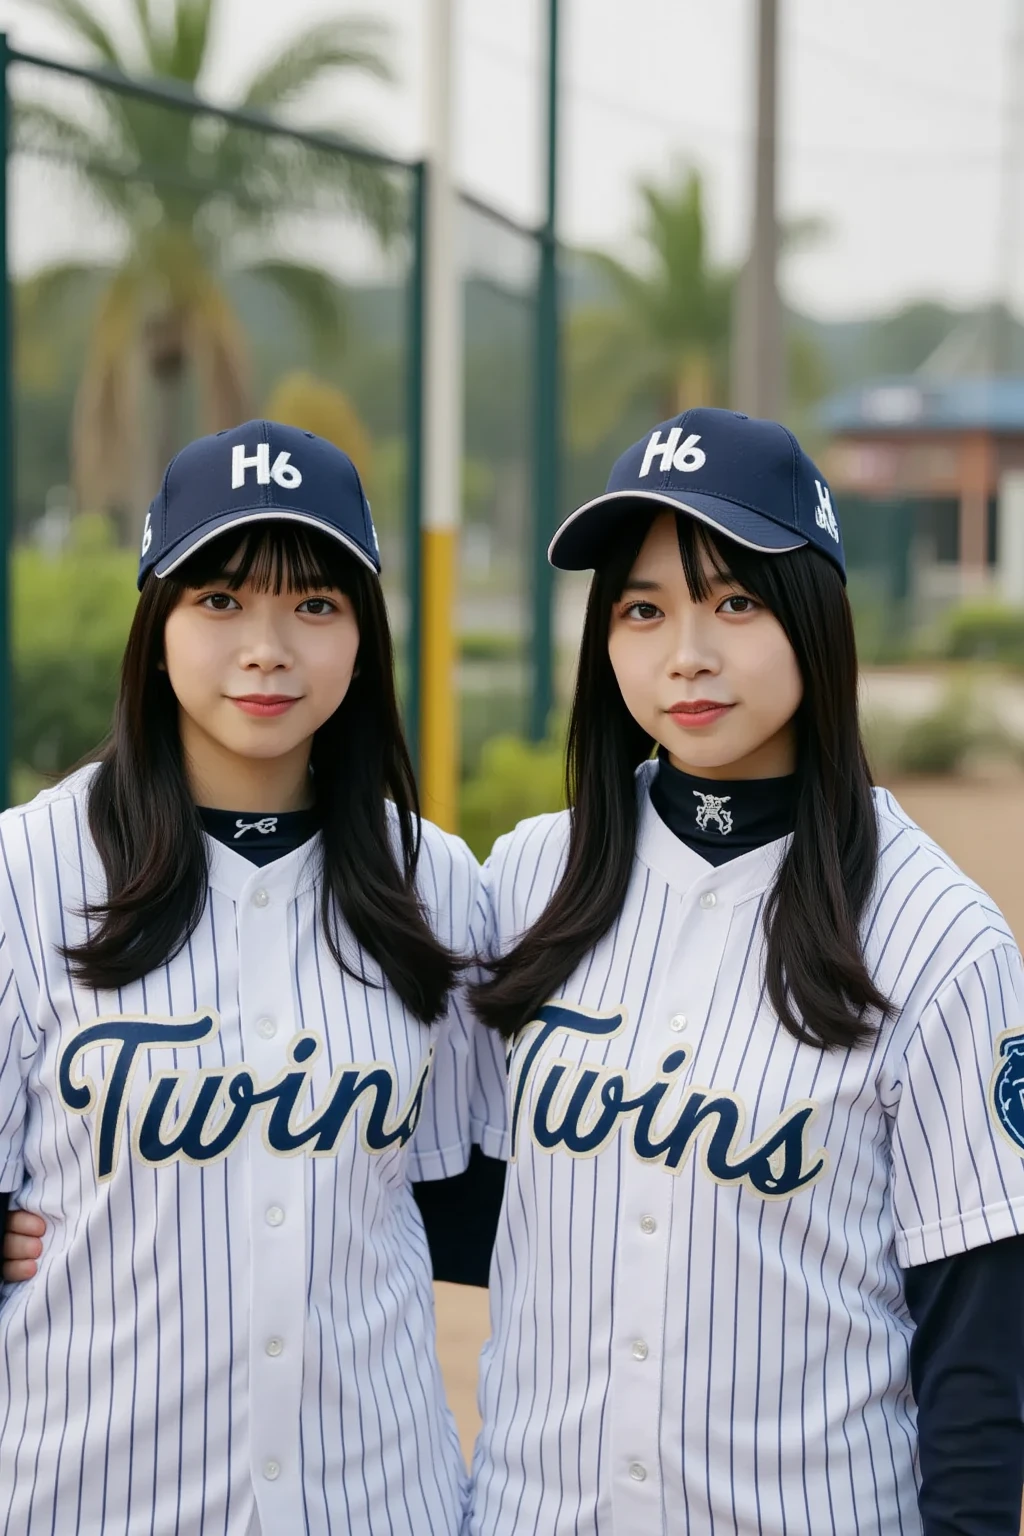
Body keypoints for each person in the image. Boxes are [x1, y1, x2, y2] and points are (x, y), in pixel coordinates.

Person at [465, 408, 1024, 1535]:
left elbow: (978, 1353)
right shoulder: (526, 881)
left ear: (815, 616)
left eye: (735, 600)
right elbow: (391, 1179)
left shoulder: (938, 937)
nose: (687, 654)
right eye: (642, 608)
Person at [0, 420, 497, 1536]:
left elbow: (479, 1208)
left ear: (363, 635)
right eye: (219, 599)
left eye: (314, 605)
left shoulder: (438, 884)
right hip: (88, 1499)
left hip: (372, 1497)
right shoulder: (25, 871)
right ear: (156, 624)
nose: (267, 646)